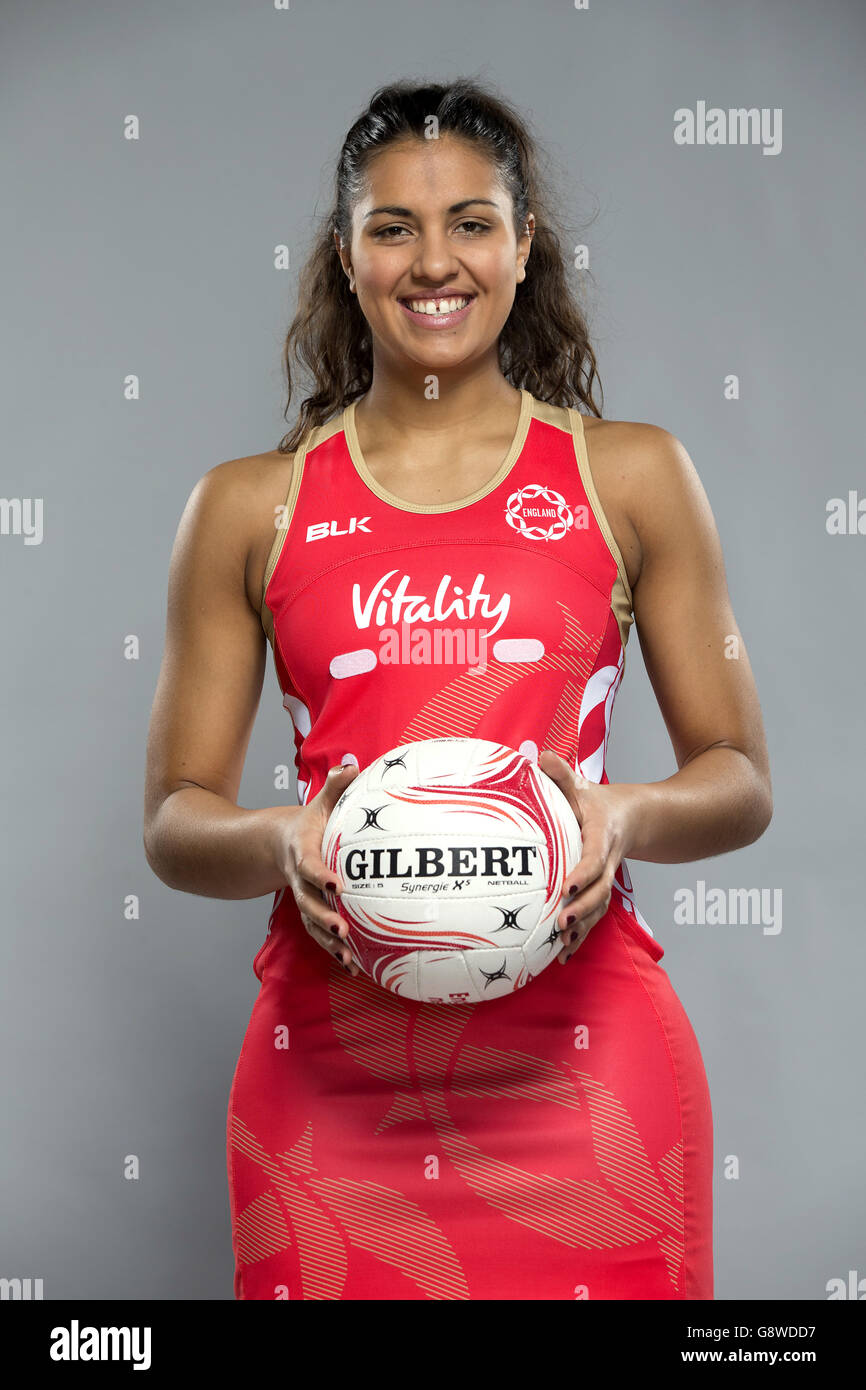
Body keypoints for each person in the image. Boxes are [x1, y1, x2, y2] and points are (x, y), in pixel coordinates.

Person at [143, 78, 772, 1300]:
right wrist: (284, 837)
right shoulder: (245, 508)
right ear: (345, 255)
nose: (434, 261)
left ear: (524, 248)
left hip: (587, 1072)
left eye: (471, 222)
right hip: (327, 1079)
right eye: (392, 227)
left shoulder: (629, 476)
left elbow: (739, 779)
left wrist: (622, 814)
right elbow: (174, 818)